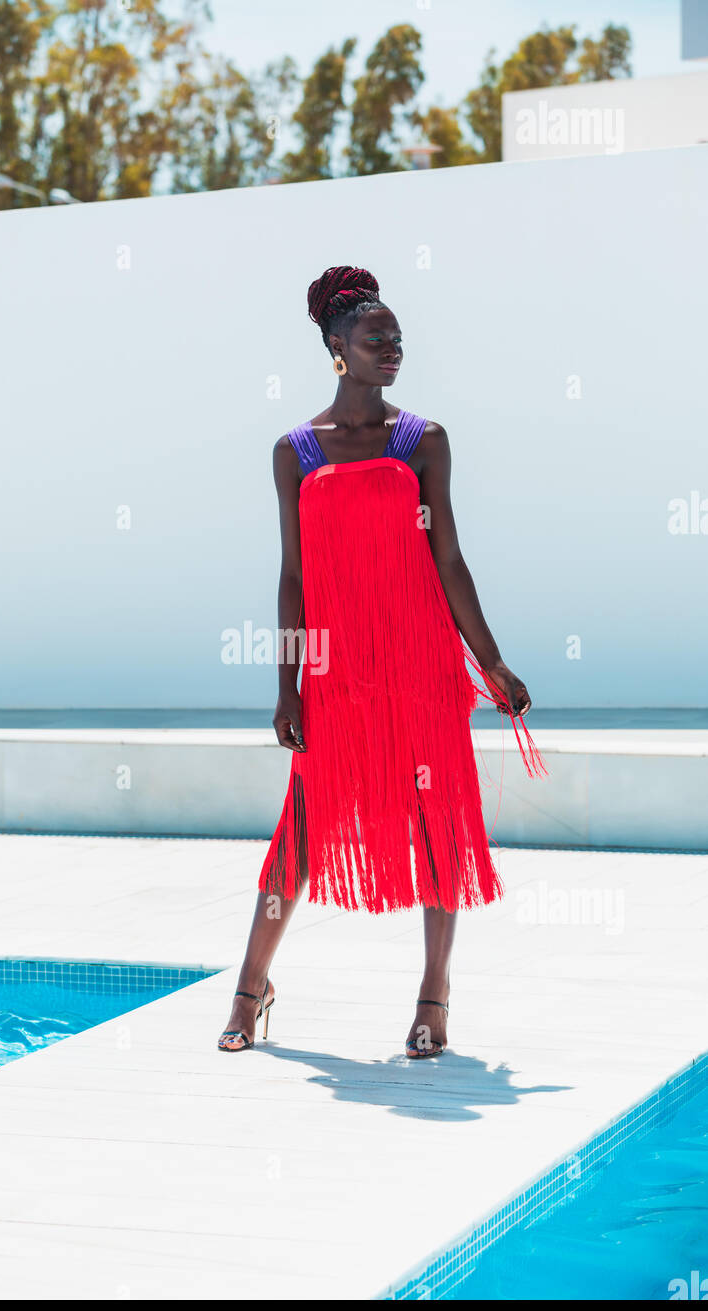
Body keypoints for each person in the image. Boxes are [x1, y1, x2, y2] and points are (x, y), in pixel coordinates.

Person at [217, 265, 547, 1059]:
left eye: (397, 338)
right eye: (376, 339)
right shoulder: (295, 452)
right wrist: (287, 686)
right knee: (300, 832)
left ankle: (434, 996)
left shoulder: (423, 441)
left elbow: (449, 559)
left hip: (421, 663)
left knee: (438, 826)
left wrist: (492, 662)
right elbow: (294, 577)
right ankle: (250, 990)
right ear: (338, 347)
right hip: (335, 674)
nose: (393, 349)